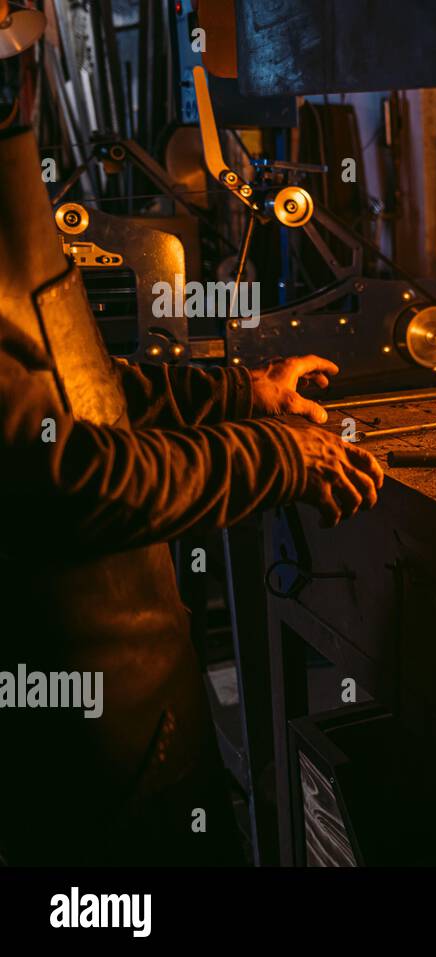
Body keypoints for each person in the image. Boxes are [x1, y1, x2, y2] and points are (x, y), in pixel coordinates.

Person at [0, 123, 383, 864]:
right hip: (73, 734)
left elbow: (81, 391)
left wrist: (240, 394)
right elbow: (62, 481)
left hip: (136, 708)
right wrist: (272, 456)